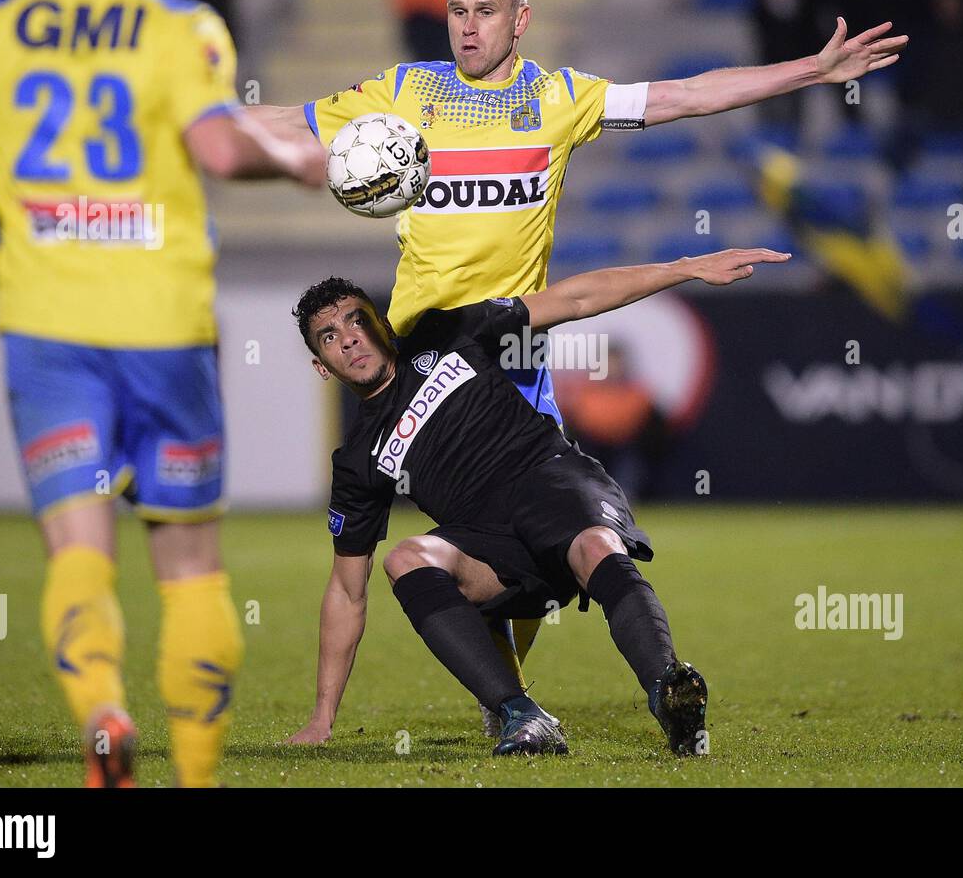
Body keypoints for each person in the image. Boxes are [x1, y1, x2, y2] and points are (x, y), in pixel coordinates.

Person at [254, 0, 906, 737]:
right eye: (456, 10)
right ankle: (516, 707)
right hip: (427, 353)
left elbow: (682, 96)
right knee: (475, 547)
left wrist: (807, 70)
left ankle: (523, 701)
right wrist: (179, 121)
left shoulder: (560, 99)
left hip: (515, 350)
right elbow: (288, 121)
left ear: (521, 19)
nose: (466, 27)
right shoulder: (404, 93)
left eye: (485, 11)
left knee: (536, 547)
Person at [0, 0, 326, 787]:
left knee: (78, 550)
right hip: (165, 326)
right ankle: (196, 777)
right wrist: (295, 156)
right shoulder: (182, 23)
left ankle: (103, 708)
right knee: (191, 567)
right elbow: (216, 147)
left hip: (48, 332)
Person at [289, 246, 790, 756]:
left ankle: (669, 691)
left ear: (383, 324)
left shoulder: (446, 335)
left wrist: (683, 269)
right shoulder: (357, 460)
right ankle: (521, 715)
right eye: (330, 336)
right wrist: (322, 717)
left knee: (594, 545)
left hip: (552, 484)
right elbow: (347, 592)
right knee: (405, 558)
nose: (350, 338)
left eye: (358, 321)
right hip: (490, 543)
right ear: (321, 366)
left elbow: (572, 300)